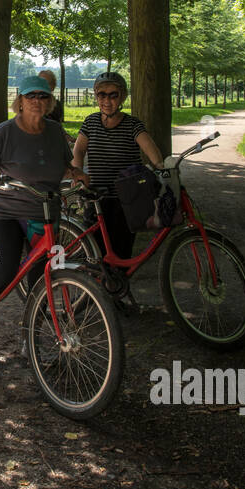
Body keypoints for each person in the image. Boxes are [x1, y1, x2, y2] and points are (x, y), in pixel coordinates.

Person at [0, 75, 90, 361]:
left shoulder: (55, 131)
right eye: (31, 95)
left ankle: (30, 339)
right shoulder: (5, 132)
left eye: (43, 96)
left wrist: (77, 174)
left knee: (40, 281)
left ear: (50, 102)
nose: (37, 100)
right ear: (20, 101)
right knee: (4, 271)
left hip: (45, 214)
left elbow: (64, 167)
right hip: (8, 212)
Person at [72, 71, 163, 310]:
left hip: (127, 200)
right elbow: (79, 150)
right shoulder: (91, 122)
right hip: (97, 198)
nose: (107, 100)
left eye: (113, 95)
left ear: (121, 97)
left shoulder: (133, 124)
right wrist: (78, 172)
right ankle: (96, 297)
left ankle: (119, 294)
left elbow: (151, 151)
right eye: (101, 94)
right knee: (97, 251)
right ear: (95, 96)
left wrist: (162, 169)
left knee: (122, 250)